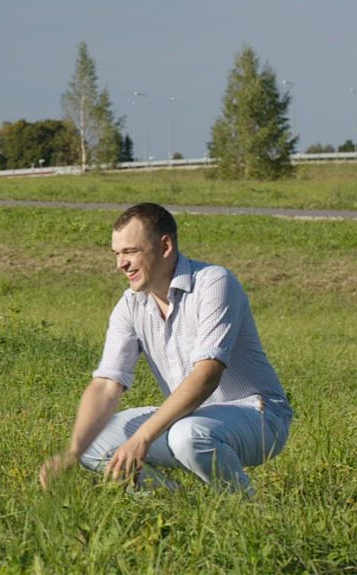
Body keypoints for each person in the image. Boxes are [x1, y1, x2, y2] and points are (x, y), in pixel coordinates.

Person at [38, 203, 291, 496]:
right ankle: (176, 504)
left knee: (187, 436)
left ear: (166, 246)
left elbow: (207, 374)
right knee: (92, 442)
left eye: (131, 252)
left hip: (258, 416)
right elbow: (106, 385)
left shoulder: (214, 283)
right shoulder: (130, 305)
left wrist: (142, 437)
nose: (121, 264)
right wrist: (72, 452)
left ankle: (246, 509)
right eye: (116, 254)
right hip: (191, 416)